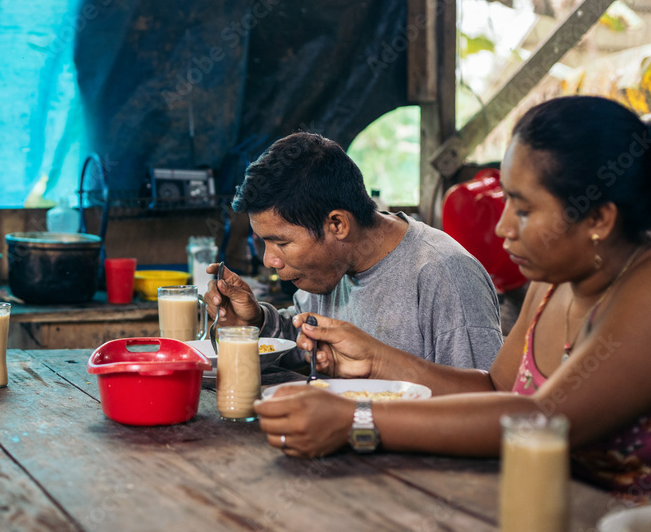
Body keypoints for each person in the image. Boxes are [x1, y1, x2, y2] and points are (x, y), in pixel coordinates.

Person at [255, 96, 651, 498]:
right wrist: (375, 360)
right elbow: (495, 392)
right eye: (507, 200)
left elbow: (542, 420)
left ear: (599, 218)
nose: (502, 227)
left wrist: (356, 420)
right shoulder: (551, 284)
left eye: (525, 210)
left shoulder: (645, 290)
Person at [207, 131, 503, 370]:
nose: (269, 260)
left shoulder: (444, 274)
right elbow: (305, 340)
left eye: (281, 243)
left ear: (337, 224)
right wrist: (256, 321)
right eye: (263, 242)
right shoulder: (327, 269)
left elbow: (483, 409)